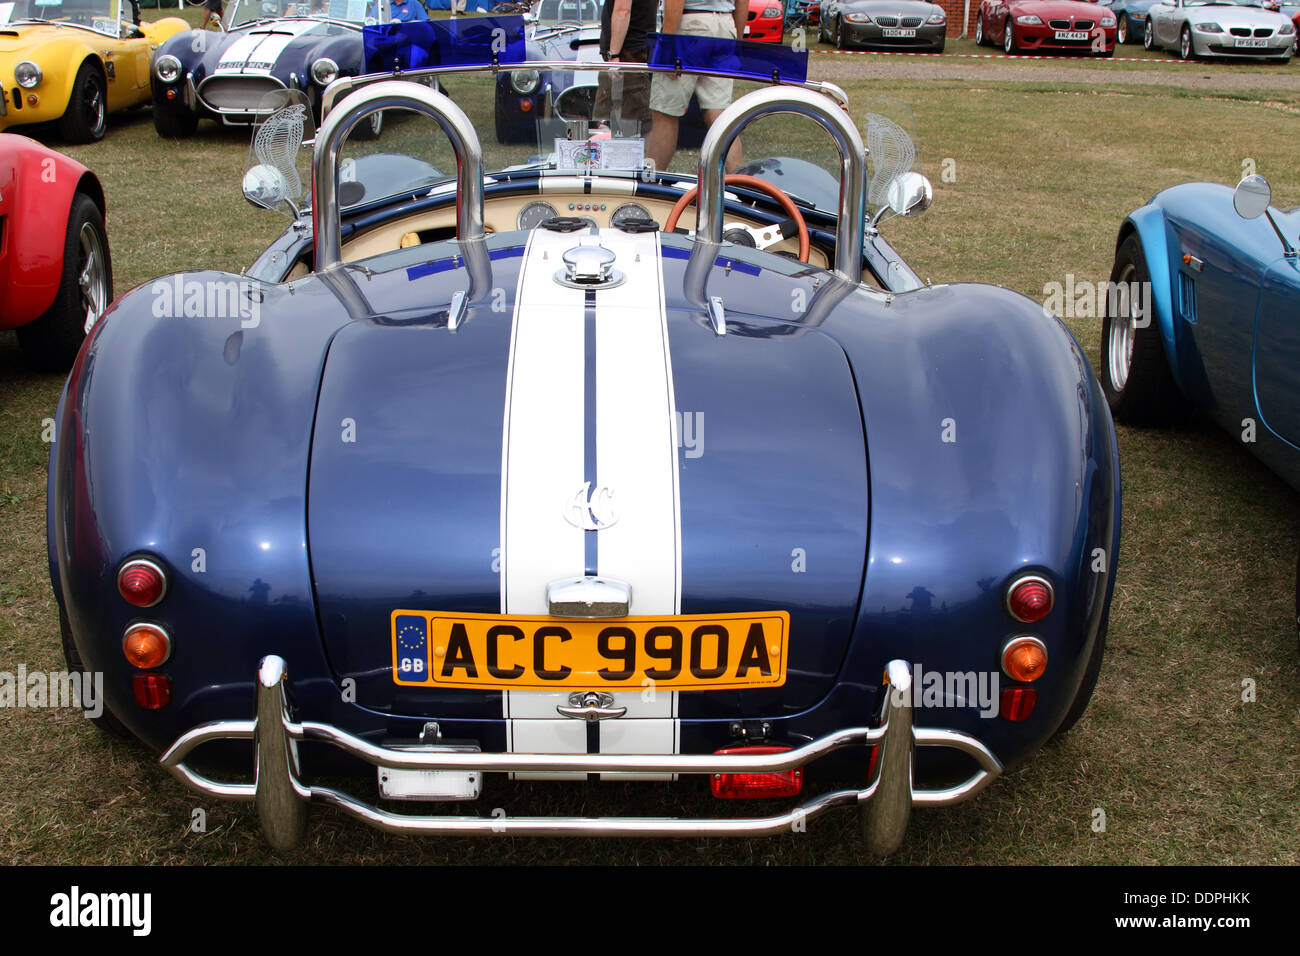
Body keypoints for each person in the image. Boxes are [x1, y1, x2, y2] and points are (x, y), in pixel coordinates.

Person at [646, 0, 746, 173]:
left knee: (665, 115)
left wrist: (667, 43)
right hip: (726, 25)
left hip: (689, 25)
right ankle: (741, 185)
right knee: (720, 116)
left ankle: (651, 185)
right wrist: (738, 42)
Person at [594, 0, 657, 137]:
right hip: (629, 53)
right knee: (614, 126)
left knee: (635, 128)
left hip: (627, 55)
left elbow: (623, 10)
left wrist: (614, 54)